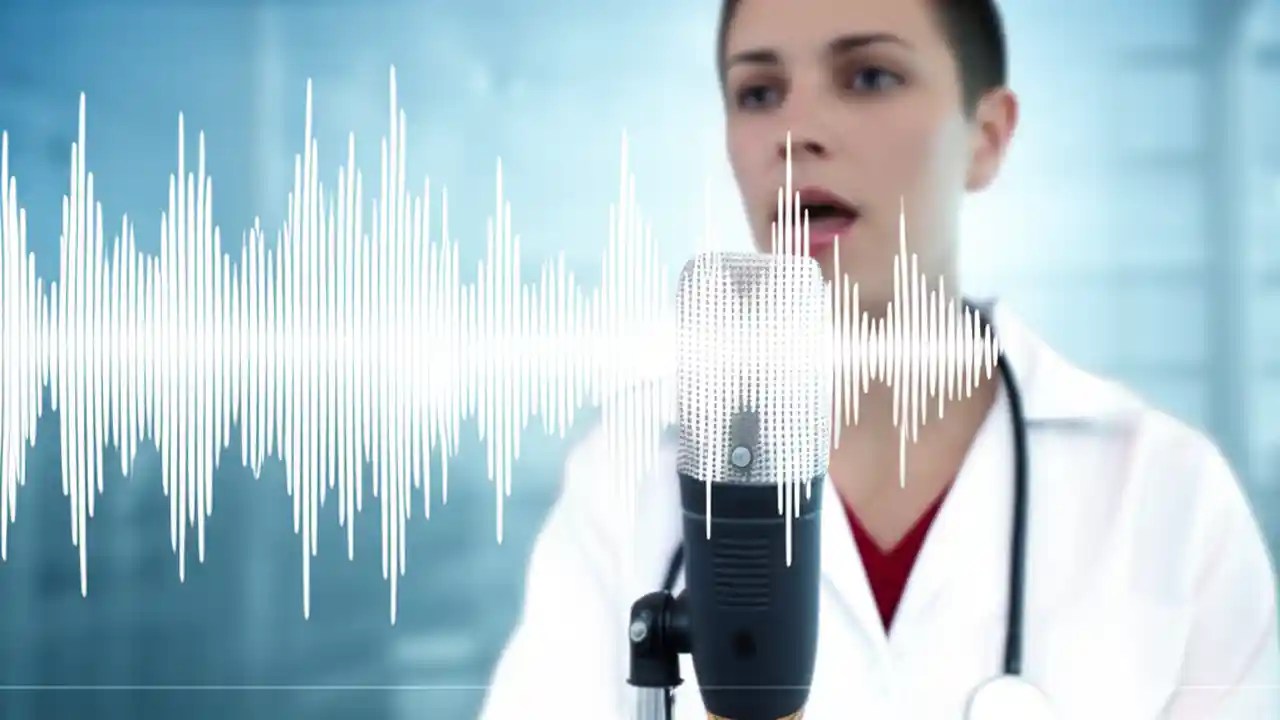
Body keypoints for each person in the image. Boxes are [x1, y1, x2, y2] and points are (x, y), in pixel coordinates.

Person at [478, 0, 1280, 717]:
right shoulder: (626, 476)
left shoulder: (1167, 490)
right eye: (758, 93)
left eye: (868, 76)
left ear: (987, 138)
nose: (796, 135)